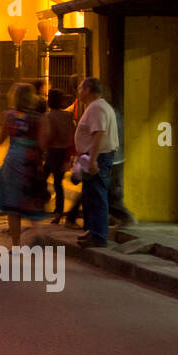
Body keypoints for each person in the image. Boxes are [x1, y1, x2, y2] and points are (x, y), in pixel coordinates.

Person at [0, 83, 48, 246]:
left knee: (12, 206)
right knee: (31, 199)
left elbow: (0, 140)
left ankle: (16, 245)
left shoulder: (9, 115)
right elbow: (43, 144)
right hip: (31, 161)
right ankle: (38, 233)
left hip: (13, 160)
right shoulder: (39, 118)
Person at [74, 77, 119, 248]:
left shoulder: (97, 108)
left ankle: (99, 235)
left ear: (88, 89)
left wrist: (92, 160)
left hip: (98, 156)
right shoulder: (97, 106)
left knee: (97, 195)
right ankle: (92, 231)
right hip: (95, 156)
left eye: (80, 88)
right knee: (91, 195)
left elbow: (98, 133)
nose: (78, 91)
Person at [40, 89, 77, 225]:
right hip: (64, 152)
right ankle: (58, 212)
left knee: (42, 178)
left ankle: (43, 203)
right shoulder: (68, 116)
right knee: (58, 183)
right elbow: (73, 133)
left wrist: (43, 147)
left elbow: (49, 134)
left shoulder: (48, 116)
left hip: (53, 151)